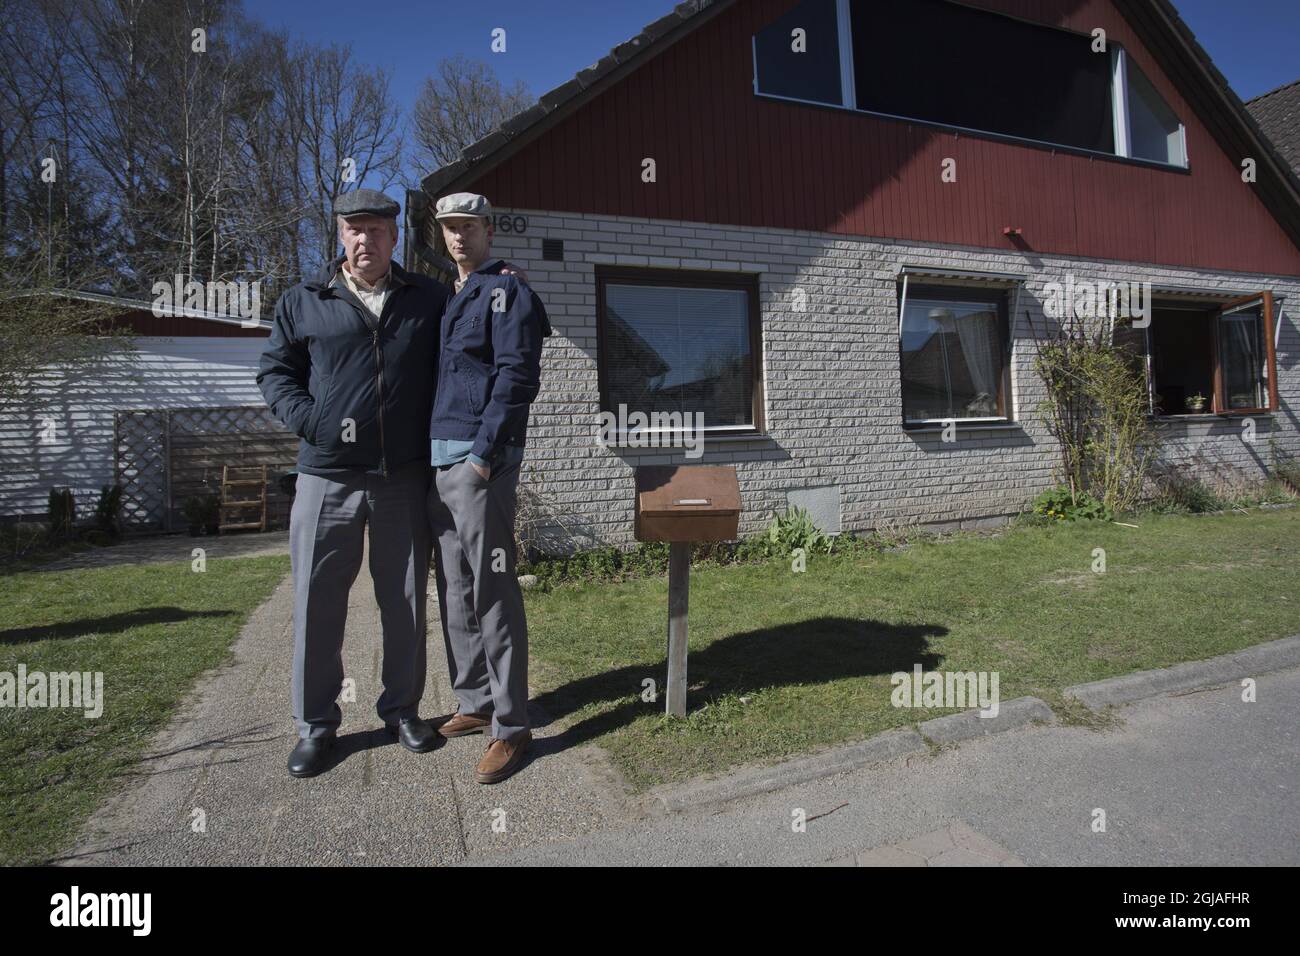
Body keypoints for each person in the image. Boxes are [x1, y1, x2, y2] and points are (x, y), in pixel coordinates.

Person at [257, 189, 447, 778]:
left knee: (407, 602)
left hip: (403, 477)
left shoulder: (428, 299)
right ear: (341, 236)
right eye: (354, 230)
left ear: (395, 237)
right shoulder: (304, 301)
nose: (365, 240)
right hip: (326, 478)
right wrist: (314, 423)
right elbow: (275, 372)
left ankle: (402, 710)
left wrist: (501, 280)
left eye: (377, 230)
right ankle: (316, 726)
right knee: (318, 605)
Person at [426, 192, 552, 784]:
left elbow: (517, 375)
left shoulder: (508, 292)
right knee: (455, 588)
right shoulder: (451, 296)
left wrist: (483, 455)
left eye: (468, 226)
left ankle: (511, 725)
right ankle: (474, 702)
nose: (458, 237)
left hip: (481, 465)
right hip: (438, 462)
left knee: (493, 591)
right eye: (449, 228)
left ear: (488, 229)